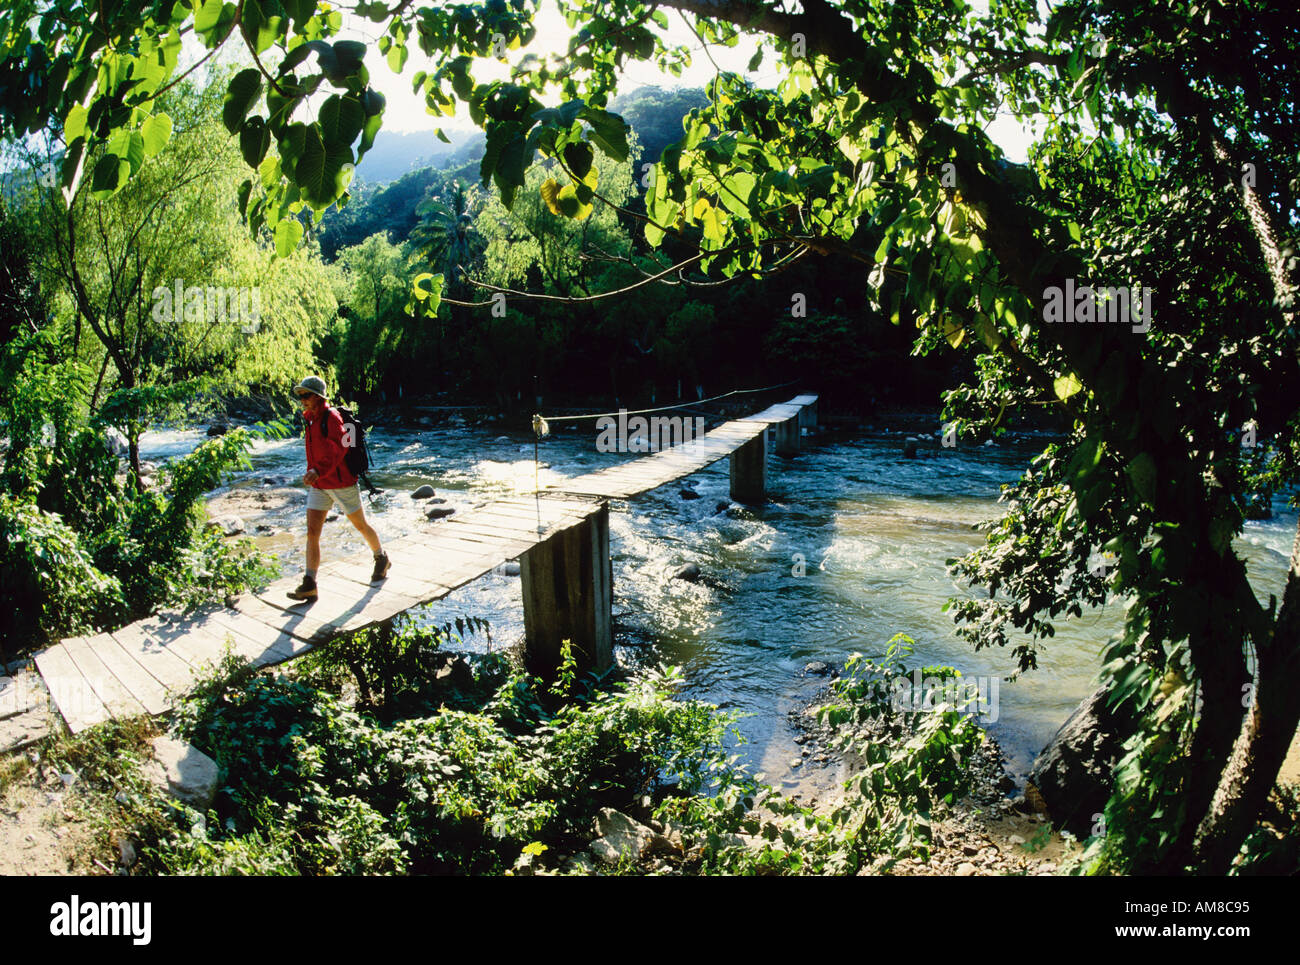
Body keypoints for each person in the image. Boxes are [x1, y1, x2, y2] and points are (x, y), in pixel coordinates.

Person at [286, 375, 389, 601]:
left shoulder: (331, 417)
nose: (302, 399)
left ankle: (381, 557)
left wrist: (318, 470)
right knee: (312, 533)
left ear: (318, 397)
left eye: (306, 395)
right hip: (320, 485)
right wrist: (314, 472)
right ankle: (310, 582)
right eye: (300, 395)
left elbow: (339, 448)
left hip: (342, 483)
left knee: (361, 526)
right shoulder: (311, 419)